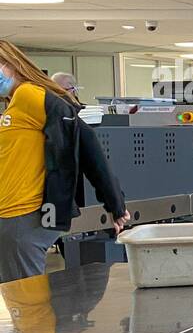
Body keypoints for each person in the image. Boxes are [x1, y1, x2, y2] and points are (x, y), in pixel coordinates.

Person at [0, 41, 129, 283]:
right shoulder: (14, 104)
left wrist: (114, 201)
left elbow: (84, 139)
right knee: (20, 300)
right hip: (12, 216)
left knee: (25, 304)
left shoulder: (30, 95)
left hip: (22, 215)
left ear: (13, 63)